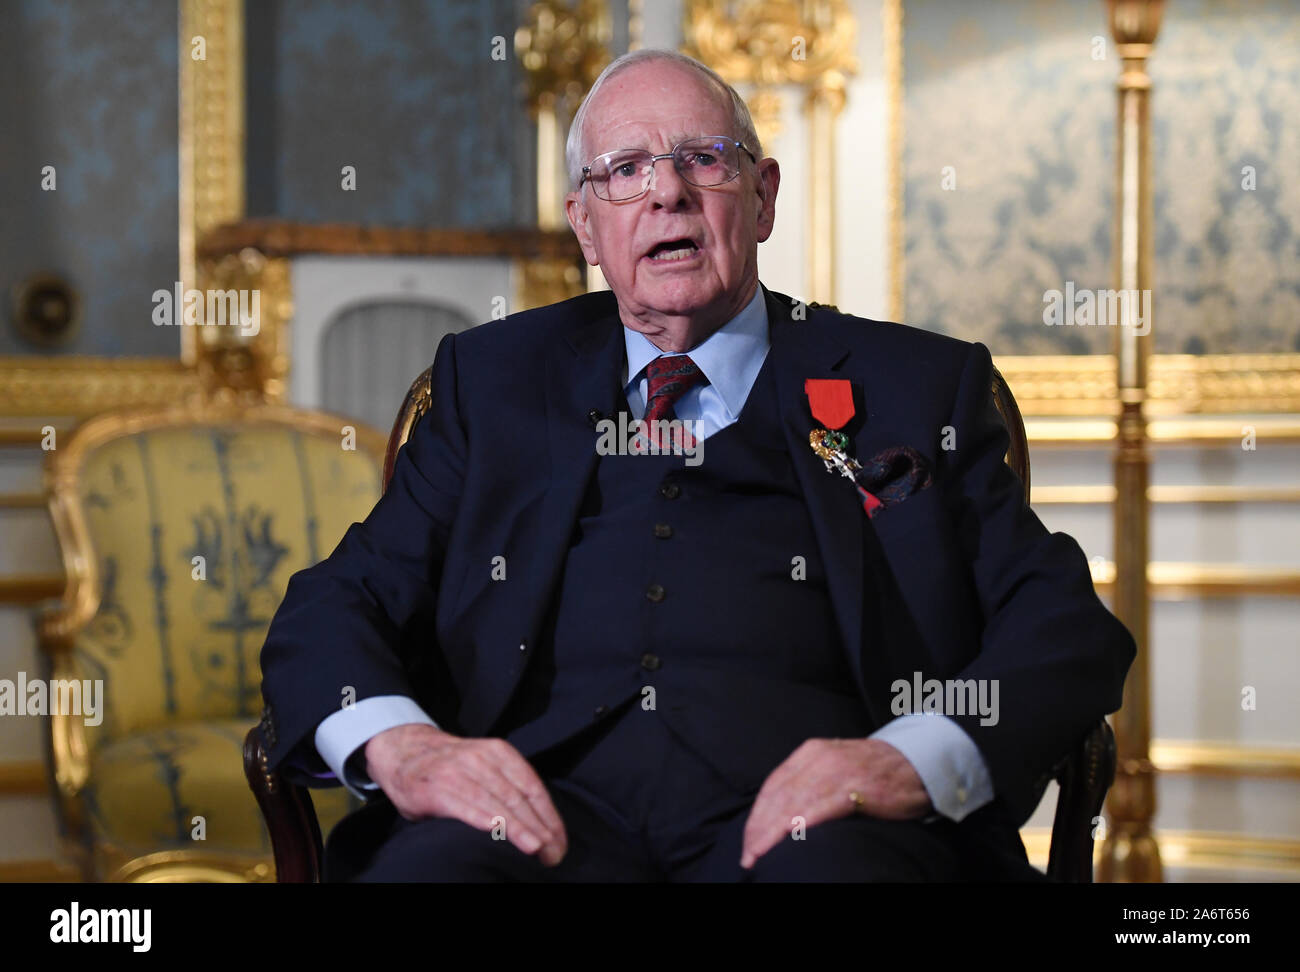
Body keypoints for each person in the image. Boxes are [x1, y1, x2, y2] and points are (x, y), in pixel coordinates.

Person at [258, 49, 1135, 882]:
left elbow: (1062, 625)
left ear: (762, 198)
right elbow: (339, 603)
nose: (667, 193)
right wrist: (404, 746)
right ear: (586, 228)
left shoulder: (914, 387)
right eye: (625, 170)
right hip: (534, 819)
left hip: (816, 824)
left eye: (704, 161)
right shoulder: (494, 382)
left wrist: (909, 760)